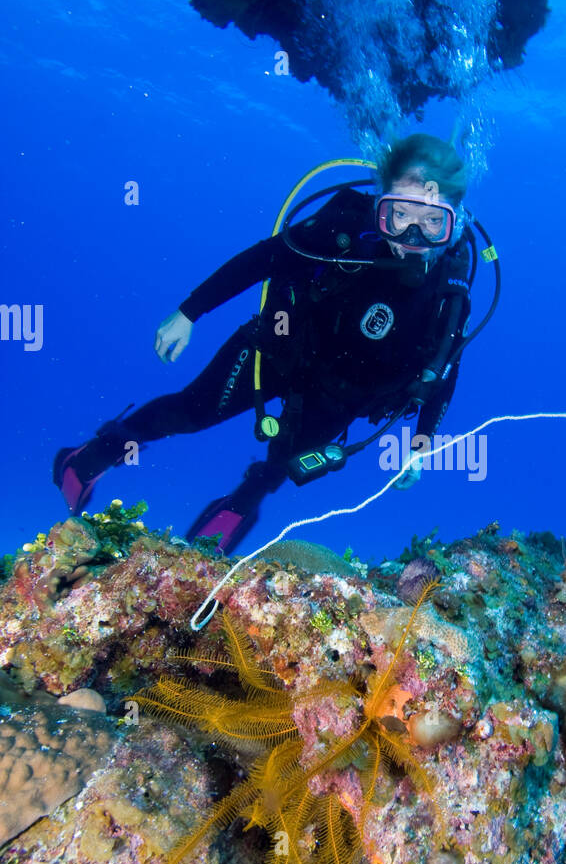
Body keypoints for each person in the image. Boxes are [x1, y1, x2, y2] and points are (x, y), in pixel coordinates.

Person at [53, 135, 475, 553]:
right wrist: (189, 312)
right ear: (379, 203)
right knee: (191, 411)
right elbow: (264, 258)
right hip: (281, 350)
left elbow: (445, 368)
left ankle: (239, 506)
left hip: (344, 395)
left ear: (456, 221)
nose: (413, 235)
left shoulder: (450, 290)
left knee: (285, 463)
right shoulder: (344, 228)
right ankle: (97, 453)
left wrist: (421, 447)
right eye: (398, 215)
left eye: (433, 221)